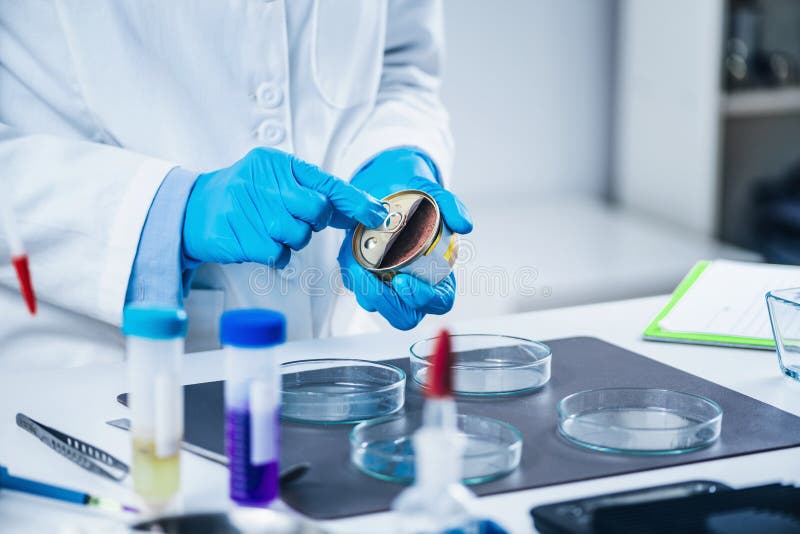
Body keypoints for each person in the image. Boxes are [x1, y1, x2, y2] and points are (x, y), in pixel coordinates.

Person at [0, 1, 471, 367]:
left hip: (333, 332)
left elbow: (401, 66)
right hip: (91, 358)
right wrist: (168, 213)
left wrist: (393, 156)